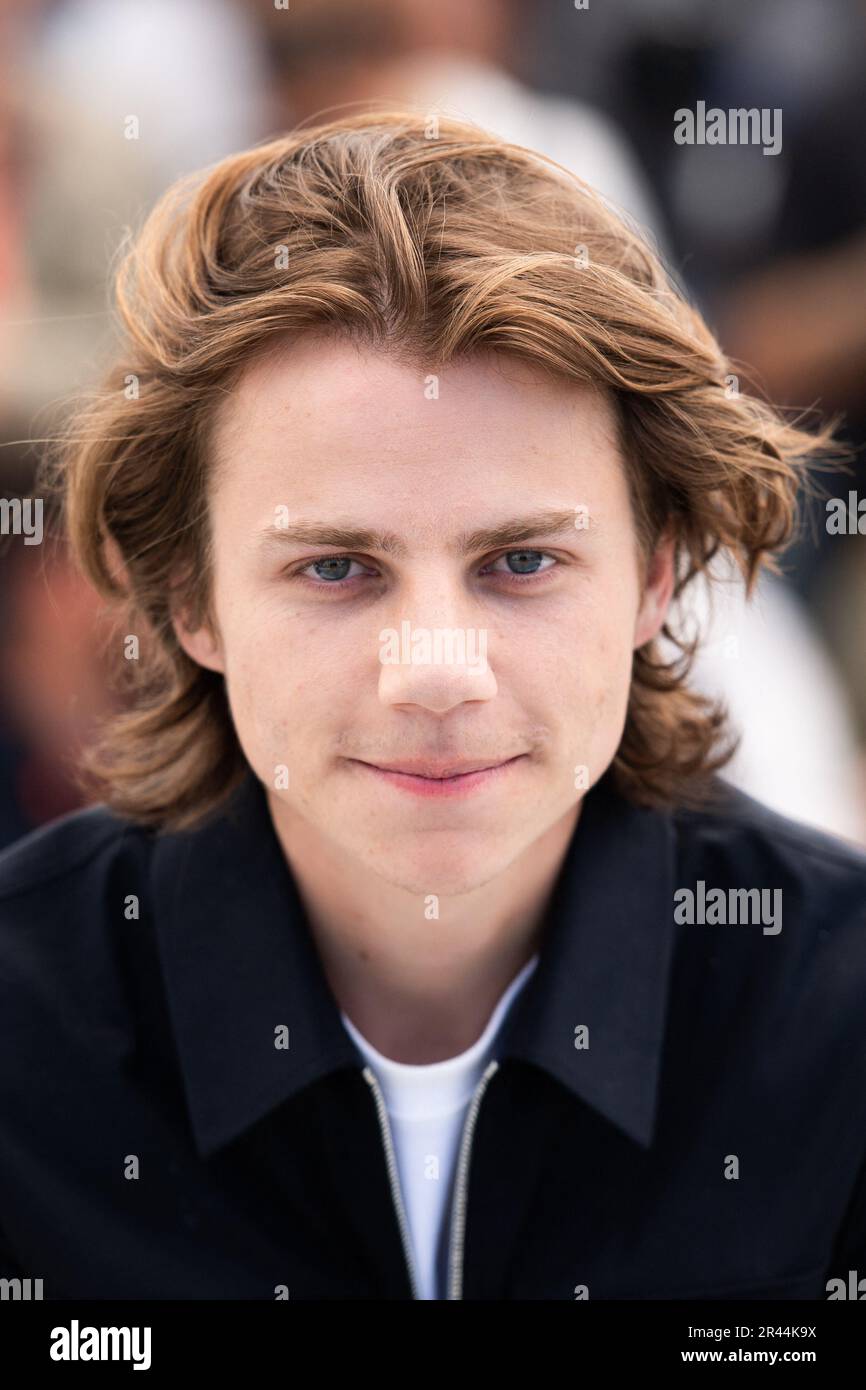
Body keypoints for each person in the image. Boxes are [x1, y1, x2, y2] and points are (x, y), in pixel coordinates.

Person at [1, 110, 865, 1302]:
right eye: (335, 568)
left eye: (518, 562)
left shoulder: (836, 1015)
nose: (435, 668)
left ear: (655, 571)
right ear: (186, 596)